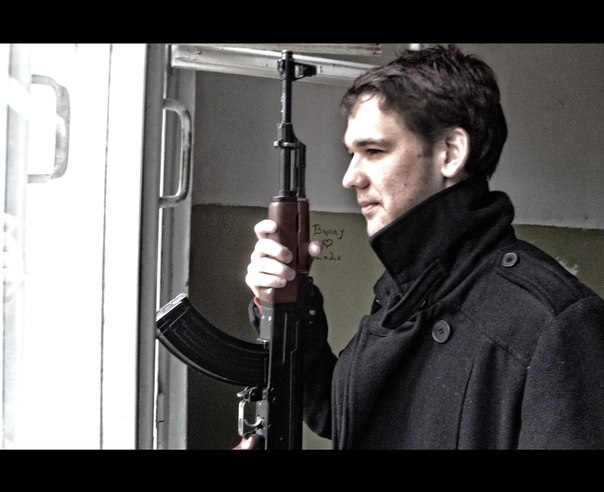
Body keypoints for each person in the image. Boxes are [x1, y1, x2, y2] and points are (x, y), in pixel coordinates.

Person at [244, 44, 604, 449]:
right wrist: (285, 300)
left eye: (373, 151)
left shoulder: (553, 321)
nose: (350, 178)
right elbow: (343, 415)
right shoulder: (402, 291)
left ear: (450, 152)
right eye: (351, 154)